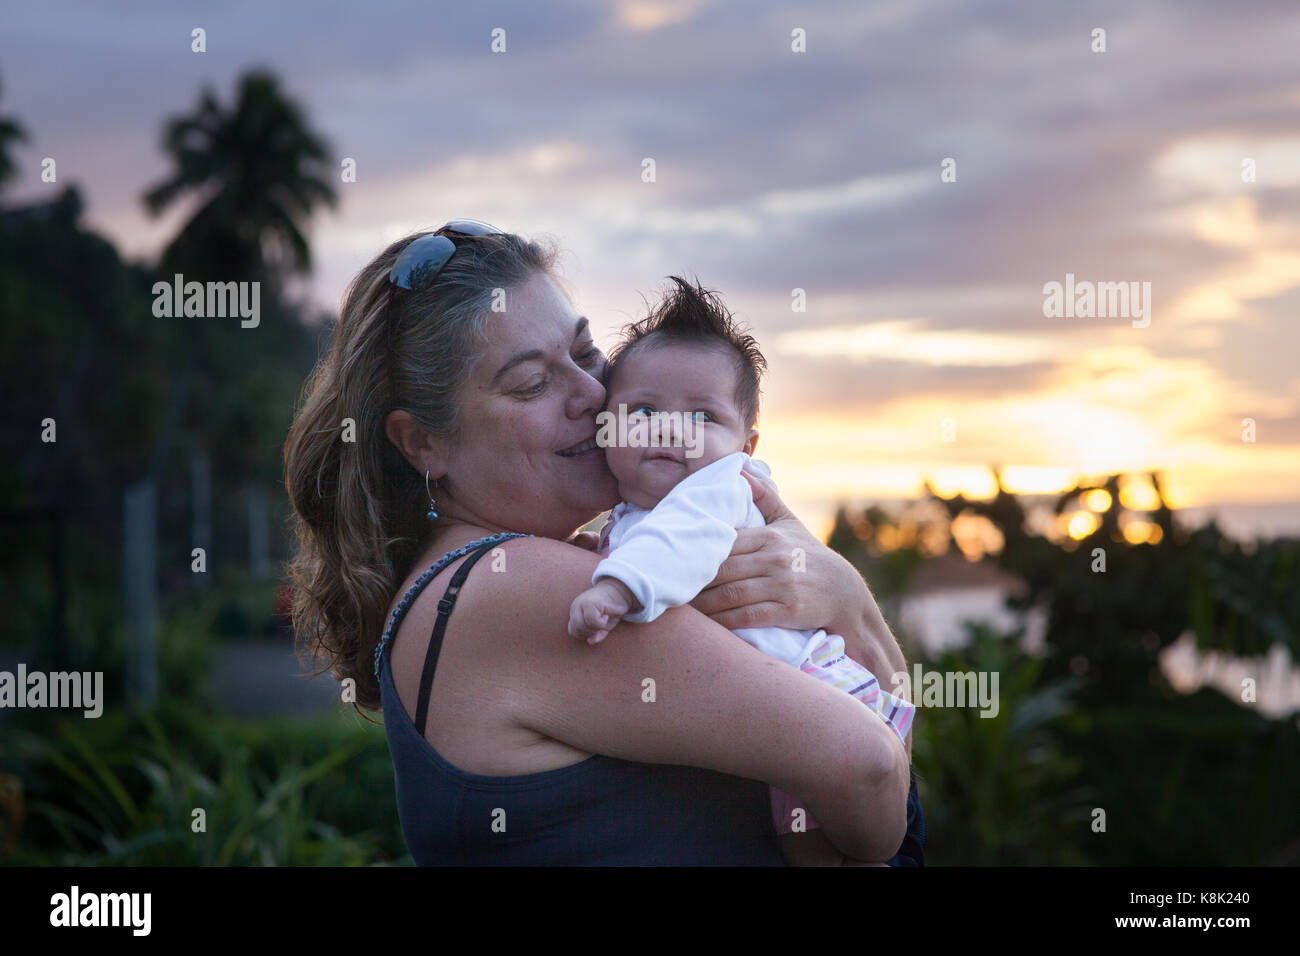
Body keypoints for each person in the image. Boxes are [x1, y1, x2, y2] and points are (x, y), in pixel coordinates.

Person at [284, 220, 921, 865]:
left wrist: (837, 595)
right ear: (424, 443)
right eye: (532, 383)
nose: (592, 395)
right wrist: (848, 601)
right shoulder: (517, 587)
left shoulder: (508, 577)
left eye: (587, 355)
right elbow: (871, 765)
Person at [565, 277, 915, 864]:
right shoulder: (631, 518)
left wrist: (615, 590)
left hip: (817, 688)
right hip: (783, 712)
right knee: (799, 844)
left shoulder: (717, 489)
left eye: (702, 416)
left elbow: (681, 544)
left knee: (860, 841)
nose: (671, 428)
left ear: (745, 445)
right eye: (644, 410)